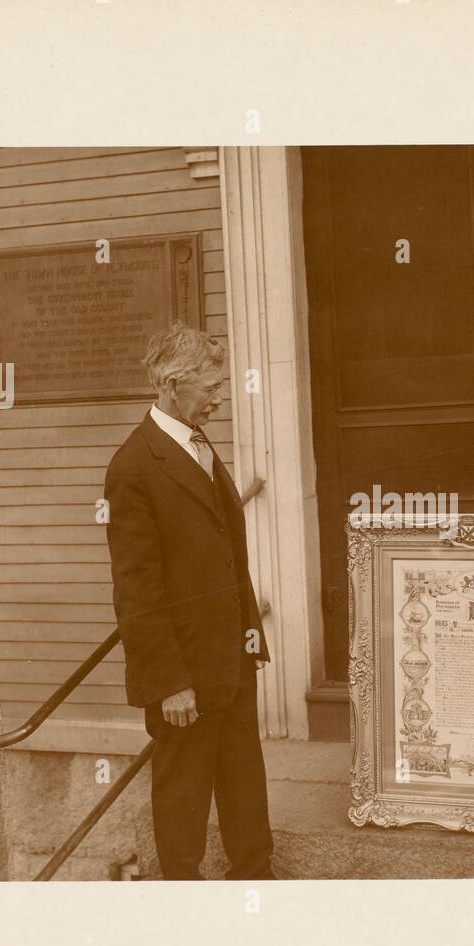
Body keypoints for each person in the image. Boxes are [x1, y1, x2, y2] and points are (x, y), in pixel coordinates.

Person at [104, 323, 276, 880]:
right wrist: (169, 681)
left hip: (230, 655)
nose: (220, 397)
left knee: (243, 775)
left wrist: (251, 636)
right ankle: (182, 896)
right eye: (211, 387)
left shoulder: (199, 446)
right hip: (182, 670)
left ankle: (254, 873)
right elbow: (137, 589)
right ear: (173, 385)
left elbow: (230, 558)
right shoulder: (133, 467)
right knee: (183, 790)